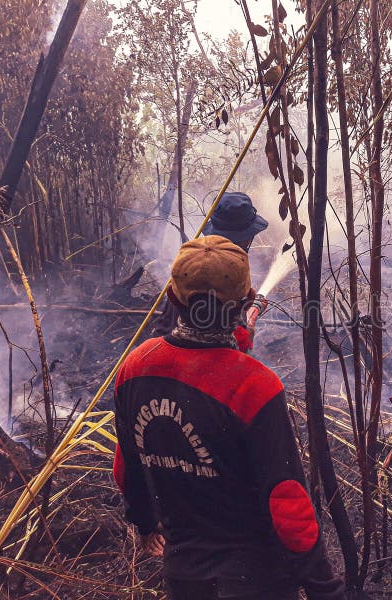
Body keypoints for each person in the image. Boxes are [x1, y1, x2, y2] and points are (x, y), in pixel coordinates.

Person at [113, 235, 343, 600]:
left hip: (184, 578)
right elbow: (287, 501)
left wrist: (143, 522)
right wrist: (324, 588)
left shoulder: (135, 367)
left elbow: (126, 467)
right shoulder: (256, 387)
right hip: (257, 581)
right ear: (247, 300)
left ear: (172, 298)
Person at [154, 191, 269, 351]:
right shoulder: (232, 276)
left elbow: (166, 328)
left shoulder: (189, 264)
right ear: (246, 238)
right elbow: (237, 342)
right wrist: (251, 315)